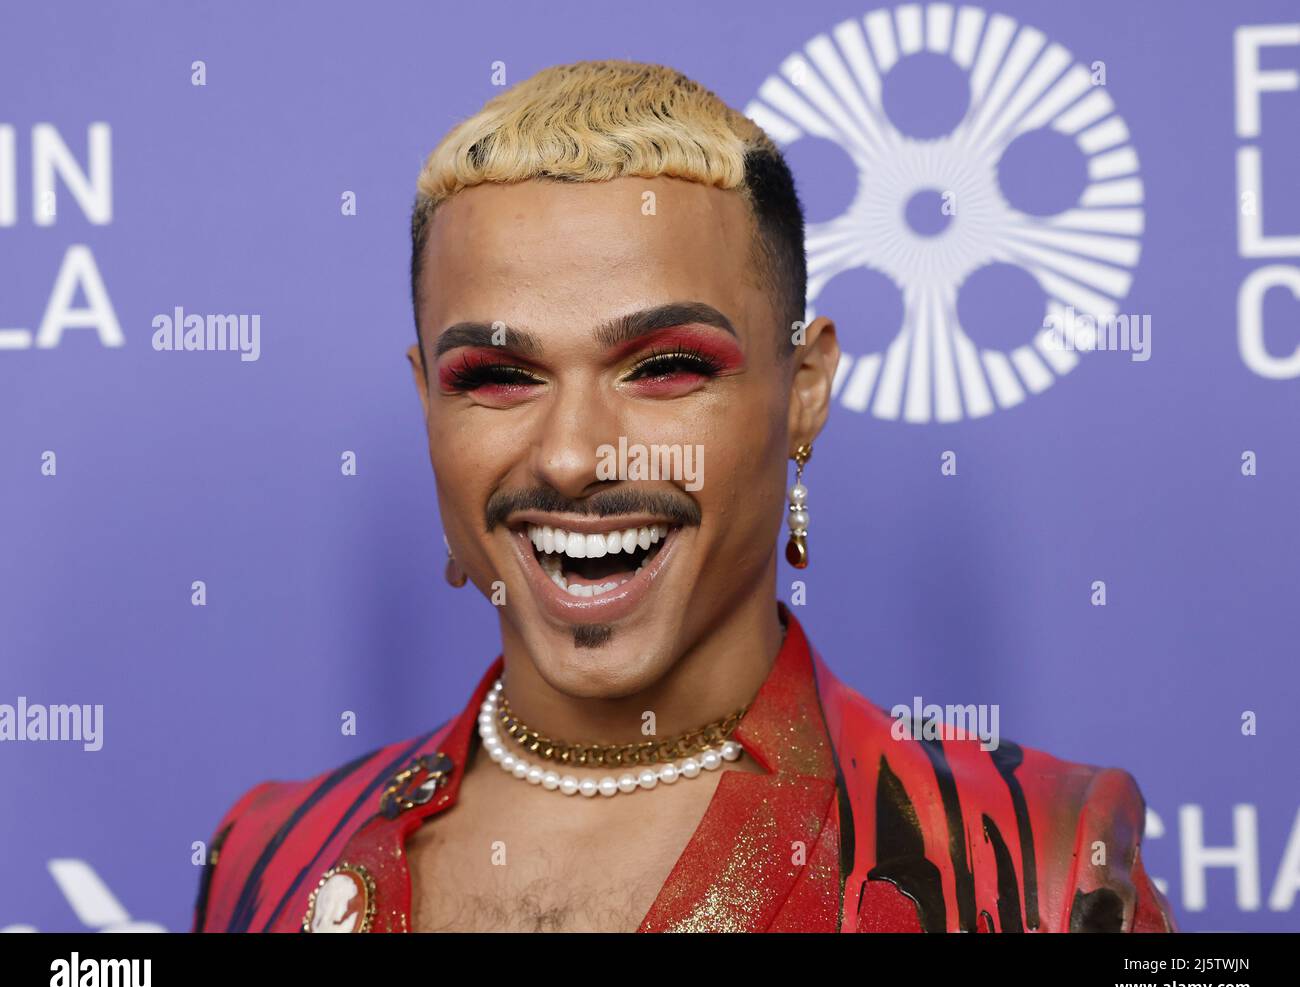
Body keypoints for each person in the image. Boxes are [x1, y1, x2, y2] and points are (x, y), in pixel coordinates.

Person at [191, 59, 1175, 933]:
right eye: (496, 376)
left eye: (663, 366)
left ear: (804, 390)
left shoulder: (1034, 863)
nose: (573, 457)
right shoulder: (270, 860)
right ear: (428, 407)